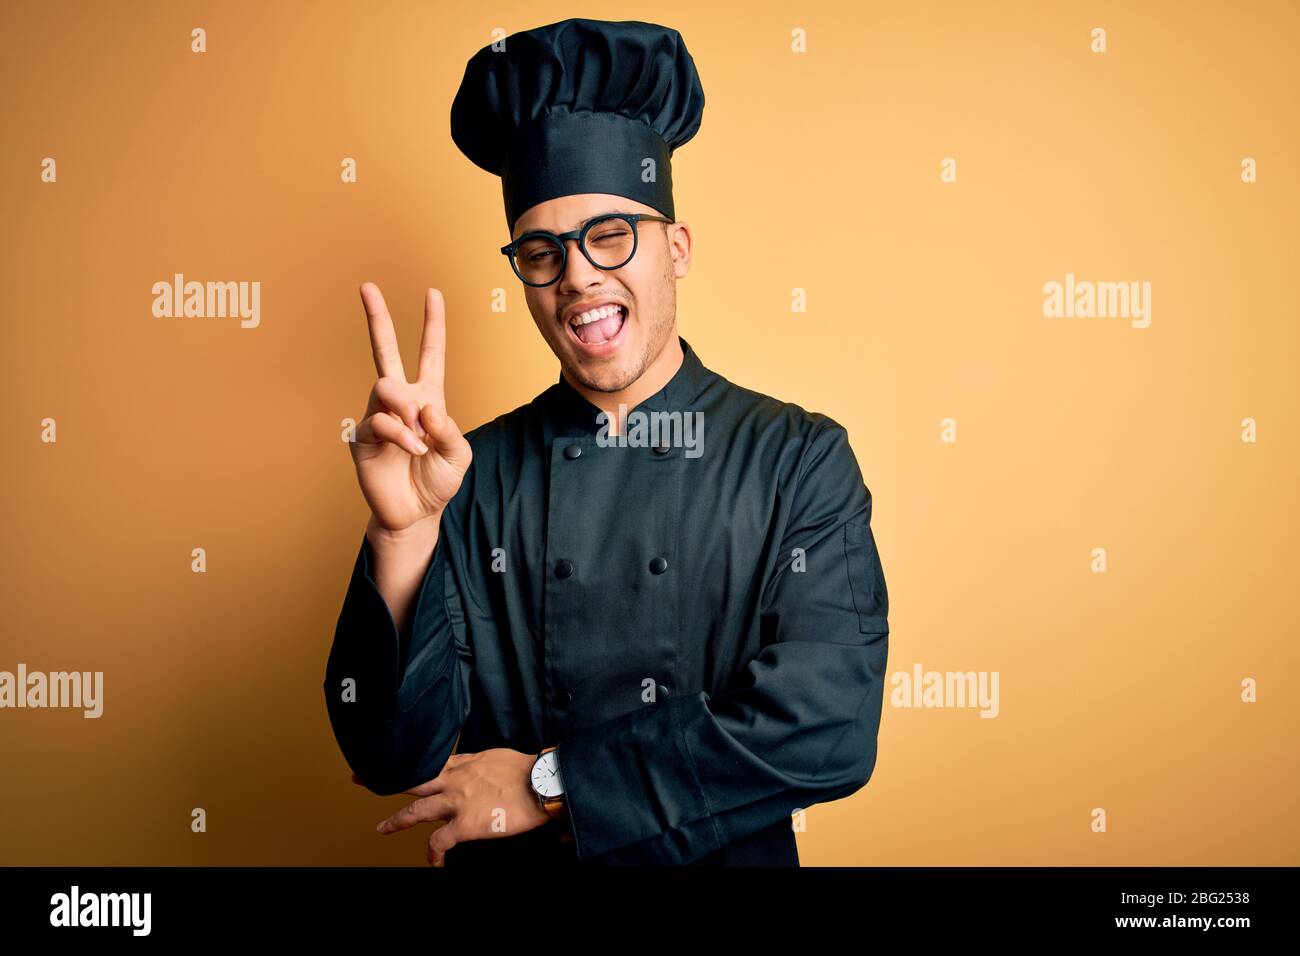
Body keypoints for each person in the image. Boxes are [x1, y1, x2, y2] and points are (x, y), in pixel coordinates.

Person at [323, 17, 890, 867]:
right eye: (542, 252)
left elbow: (829, 729)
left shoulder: (796, 460)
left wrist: (552, 782)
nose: (580, 273)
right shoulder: (464, 476)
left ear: (678, 248)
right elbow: (389, 756)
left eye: (611, 234)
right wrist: (403, 537)